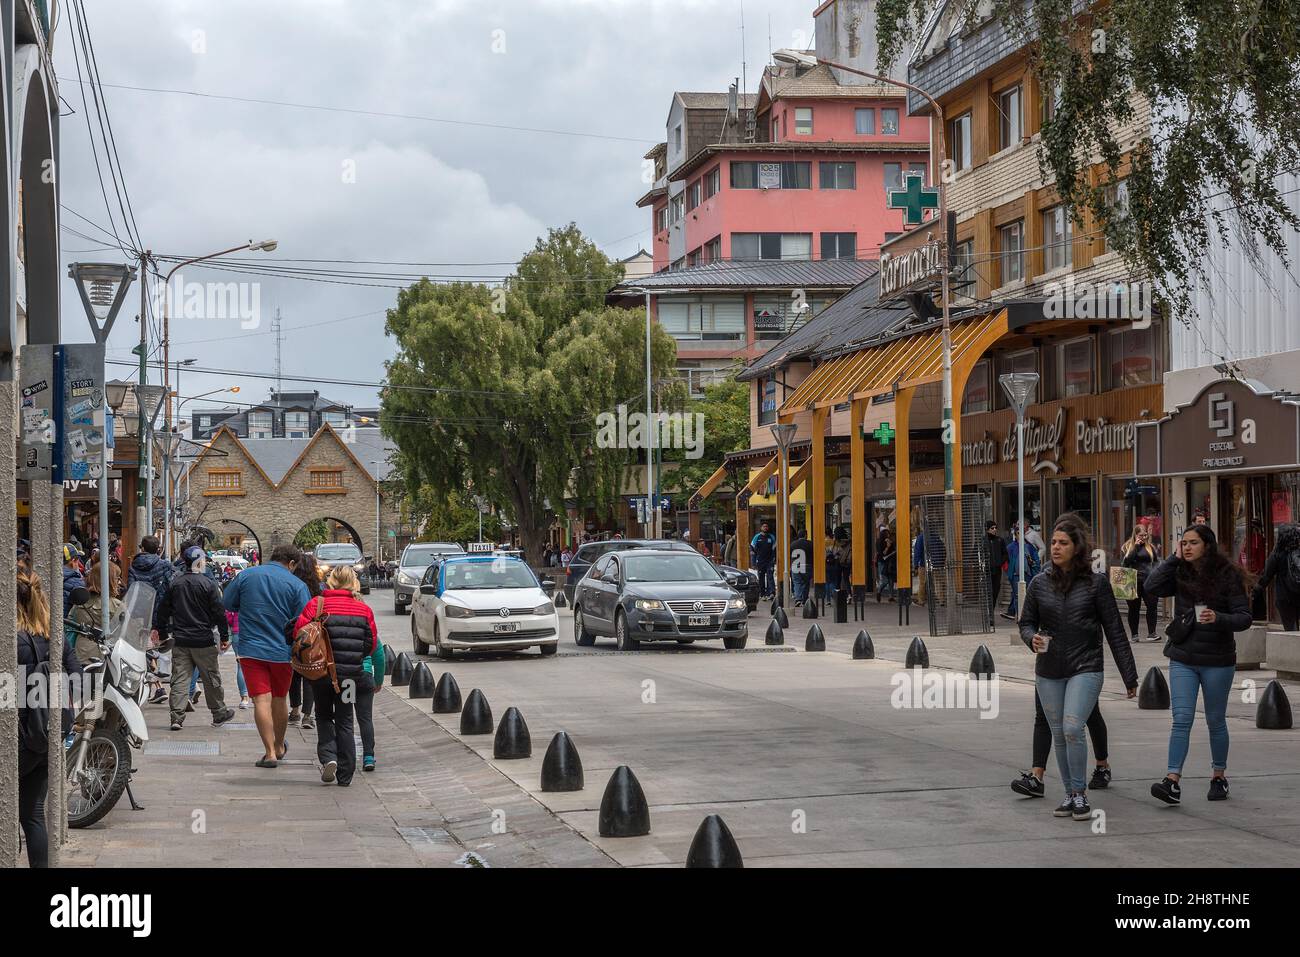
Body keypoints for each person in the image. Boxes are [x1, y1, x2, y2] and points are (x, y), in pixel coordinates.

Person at [1018, 518, 1139, 822]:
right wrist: (1029, 637)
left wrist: (1129, 675)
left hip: (1086, 666)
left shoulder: (1096, 584)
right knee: (1059, 733)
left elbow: (1114, 630)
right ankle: (1070, 794)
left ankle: (1081, 793)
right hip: (1049, 668)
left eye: (1063, 543)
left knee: (1073, 728)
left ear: (1077, 547)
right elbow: (1026, 622)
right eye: (1054, 542)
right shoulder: (1038, 582)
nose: (1056, 548)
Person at [1144, 524, 1252, 805]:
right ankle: (1172, 781)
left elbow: (1244, 617)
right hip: (1183, 656)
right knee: (1181, 719)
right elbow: (1150, 586)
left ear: (1207, 545)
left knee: (1215, 720)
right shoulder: (1180, 571)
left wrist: (1219, 618)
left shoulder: (1227, 575)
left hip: (1217, 660)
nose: (1187, 547)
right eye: (1184, 543)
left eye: (1193, 543)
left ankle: (1219, 777)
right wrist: (1172, 558)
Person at [222, 543, 311, 769]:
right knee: (280, 698)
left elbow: (228, 602)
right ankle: (279, 745)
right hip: (282, 651)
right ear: (291, 563)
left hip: (251, 648)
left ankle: (269, 752)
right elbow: (304, 620)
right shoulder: (297, 585)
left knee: (261, 700)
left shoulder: (247, 575)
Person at [16, 570, 83, 867]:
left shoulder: (9, 640)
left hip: (16, 737)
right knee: (32, 815)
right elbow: (79, 680)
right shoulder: (52, 635)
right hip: (46, 735)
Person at [292, 565, 378, 786]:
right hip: (349, 678)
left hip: (321, 675)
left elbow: (299, 635)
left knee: (322, 715)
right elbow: (371, 644)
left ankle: (329, 757)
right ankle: (346, 773)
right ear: (353, 583)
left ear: (330, 581)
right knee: (346, 719)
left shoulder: (317, 605)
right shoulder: (363, 609)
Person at [157, 546, 236, 731]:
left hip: (181, 640)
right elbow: (219, 613)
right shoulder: (208, 584)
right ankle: (218, 713)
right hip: (203, 639)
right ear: (199, 561)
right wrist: (224, 636)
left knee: (180, 679)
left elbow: (162, 610)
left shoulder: (175, 583)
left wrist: (162, 634)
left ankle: (176, 717)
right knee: (211, 679)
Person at [1011, 695, 1113, 798]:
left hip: (1079, 678)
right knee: (1044, 714)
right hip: (1049, 678)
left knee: (1091, 713)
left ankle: (1102, 766)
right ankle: (1036, 776)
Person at [289, 553, 323, 730]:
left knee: (294, 675)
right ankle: (307, 716)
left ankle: (294, 710)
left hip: (294, 634)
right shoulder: (319, 588)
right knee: (310, 675)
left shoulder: (291, 585)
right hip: (313, 637)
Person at [68, 560, 124, 666]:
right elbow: (128, 630)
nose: (119, 582)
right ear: (109, 580)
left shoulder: (81, 601)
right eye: (117, 578)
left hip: (83, 653)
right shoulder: (117, 605)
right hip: (110, 655)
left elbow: (70, 622)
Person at [1253, 522, 1300, 630]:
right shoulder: (1298, 552)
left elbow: (1266, 577)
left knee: (1291, 630)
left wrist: (1254, 592)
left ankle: (1293, 647)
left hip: (1285, 598)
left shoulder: (1277, 554)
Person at [1121, 522, 1162, 642]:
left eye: (1145, 535)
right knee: (1134, 608)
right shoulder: (1127, 546)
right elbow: (1125, 563)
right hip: (1132, 581)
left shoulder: (1150, 547)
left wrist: (1155, 573)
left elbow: (1156, 561)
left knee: (1152, 606)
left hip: (1148, 580)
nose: (1143, 538)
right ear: (1135, 535)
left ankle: (1152, 633)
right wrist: (1136, 547)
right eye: (1141, 535)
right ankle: (1134, 634)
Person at [357, 616, 386, 772]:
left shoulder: (337, 623)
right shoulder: (368, 629)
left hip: (344, 677)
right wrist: (378, 680)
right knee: (365, 718)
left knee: (344, 718)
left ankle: (343, 754)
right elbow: (379, 656)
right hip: (365, 676)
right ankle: (368, 756)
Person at [1005, 525, 1040, 619]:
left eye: (1022, 533)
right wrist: (1009, 572)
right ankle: (1019, 616)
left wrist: (1034, 565)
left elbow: (1036, 560)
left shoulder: (1029, 546)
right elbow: (1006, 561)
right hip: (1015, 575)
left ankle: (1027, 615)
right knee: (1017, 595)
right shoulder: (1010, 547)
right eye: (1018, 533)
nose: (1020, 535)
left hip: (1027, 574)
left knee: (1028, 595)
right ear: (1015, 535)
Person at [984, 521, 1008, 619]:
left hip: (997, 571)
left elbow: (1005, 554)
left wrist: (1000, 562)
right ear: (987, 529)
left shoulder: (1000, 540)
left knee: (995, 591)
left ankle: (991, 611)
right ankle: (989, 615)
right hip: (986, 571)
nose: (994, 530)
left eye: (995, 528)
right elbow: (975, 553)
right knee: (988, 592)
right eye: (992, 528)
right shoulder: (983, 541)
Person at [750, 522, 776, 599]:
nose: (765, 528)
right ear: (761, 528)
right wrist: (753, 562)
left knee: (770, 576)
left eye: (766, 526)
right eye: (764, 526)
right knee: (761, 578)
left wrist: (774, 559)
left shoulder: (771, 537)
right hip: (760, 561)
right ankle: (762, 594)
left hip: (769, 561)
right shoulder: (757, 537)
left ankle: (771, 593)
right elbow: (752, 548)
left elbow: (774, 549)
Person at [790, 528, 813, 606]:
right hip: (807, 565)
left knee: (797, 583)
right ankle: (805, 599)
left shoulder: (793, 544)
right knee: (806, 583)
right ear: (806, 535)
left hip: (795, 565)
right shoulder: (810, 544)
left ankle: (798, 598)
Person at [877, 531, 897, 602]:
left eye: (888, 535)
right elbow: (883, 553)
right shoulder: (880, 543)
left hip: (889, 562)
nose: (888, 537)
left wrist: (891, 545)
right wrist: (887, 547)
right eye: (887, 535)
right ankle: (879, 591)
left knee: (891, 580)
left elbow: (893, 551)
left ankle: (891, 596)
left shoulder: (890, 542)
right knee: (885, 581)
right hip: (882, 562)